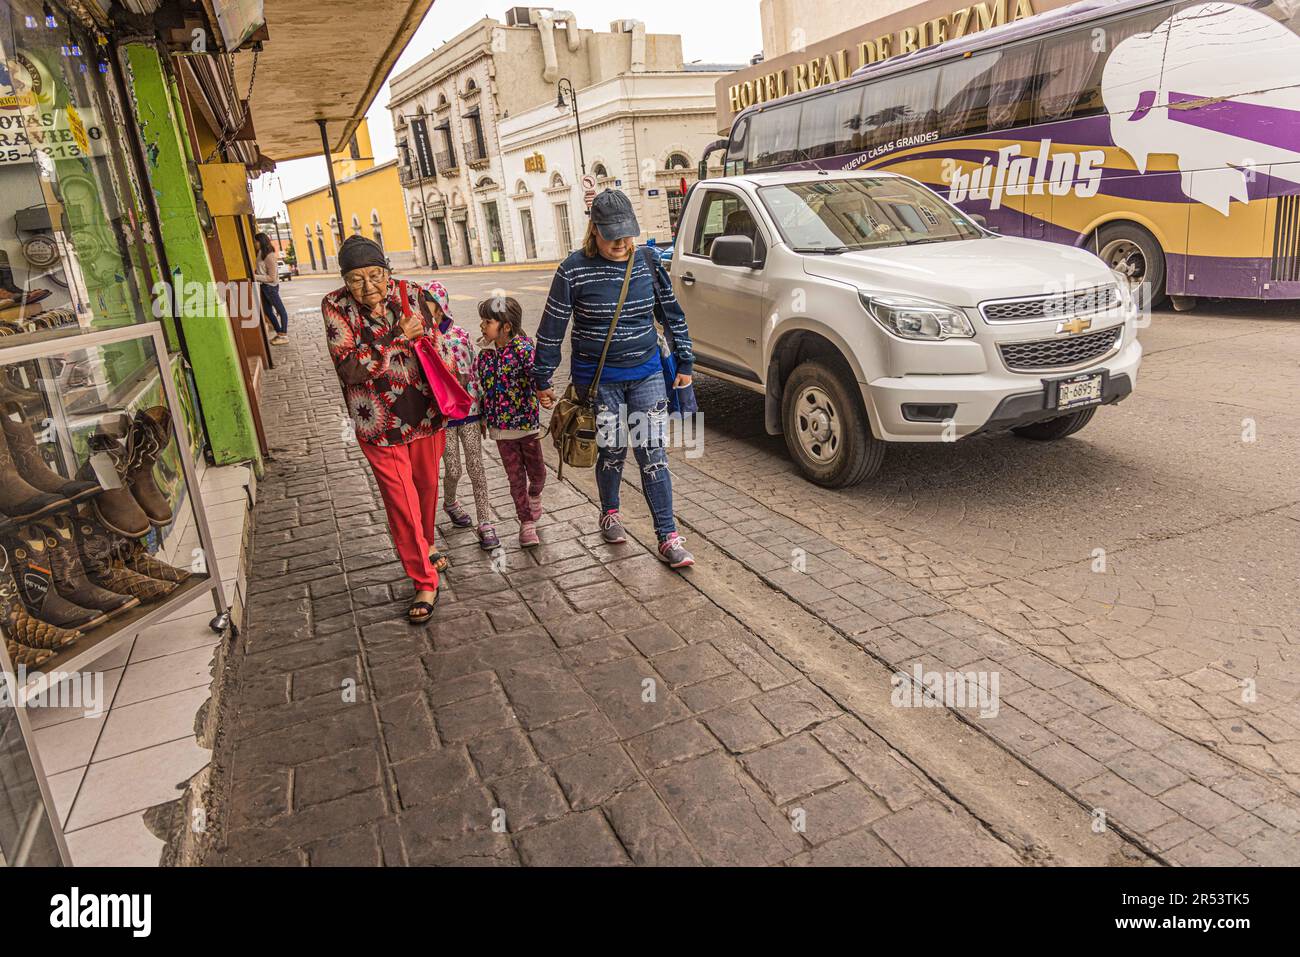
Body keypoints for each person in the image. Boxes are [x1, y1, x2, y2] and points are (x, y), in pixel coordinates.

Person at [533, 189, 696, 568]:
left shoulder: (649, 262)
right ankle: (609, 512)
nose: (622, 243)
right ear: (595, 230)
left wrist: (685, 363)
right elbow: (551, 329)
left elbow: (672, 315)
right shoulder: (572, 270)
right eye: (613, 236)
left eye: (627, 234)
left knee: (653, 455)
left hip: (647, 374)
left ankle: (667, 537)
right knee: (612, 451)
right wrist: (543, 377)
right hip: (598, 383)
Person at [322, 236, 448, 623]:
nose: (368, 287)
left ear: (387, 270)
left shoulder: (413, 293)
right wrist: (395, 339)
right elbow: (349, 368)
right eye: (356, 279)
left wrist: (422, 340)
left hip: (425, 411)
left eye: (375, 275)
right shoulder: (335, 306)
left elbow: (438, 332)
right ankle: (424, 580)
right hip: (378, 421)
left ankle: (425, 545)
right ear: (345, 280)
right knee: (402, 501)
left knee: (426, 490)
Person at [418, 281, 498, 550]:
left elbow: (475, 373)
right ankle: (450, 502)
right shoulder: (422, 342)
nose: (429, 313)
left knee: (477, 468)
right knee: (453, 469)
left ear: (442, 308)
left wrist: (484, 411)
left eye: (433, 307)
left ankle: (485, 522)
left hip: (471, 413)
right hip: (444, 418)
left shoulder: (461, 336)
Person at [474, 296, 544, 548]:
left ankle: (535, 493)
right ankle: (526, 524)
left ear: (505, 326)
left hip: (526, 426)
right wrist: (482, 416)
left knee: (537, 474)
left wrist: (543, 392)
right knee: (515, 479)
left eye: (487, 321)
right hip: (501, 431)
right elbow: (480, 387)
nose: (482, 325)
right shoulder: (484, 354)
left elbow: (536, 378)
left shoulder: (524, 350)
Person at [254, 232, 290, 345]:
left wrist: (254, 276)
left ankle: (283, 335)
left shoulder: (270, 256)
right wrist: (257, 273)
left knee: (281, 310)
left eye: (256, 241)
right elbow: (262, 270)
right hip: (264, 287)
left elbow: (272, 277)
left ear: (262, 242)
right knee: (268, 311)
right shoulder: (261, 253)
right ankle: (279, 332)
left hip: (270, 287)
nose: (255, 243)